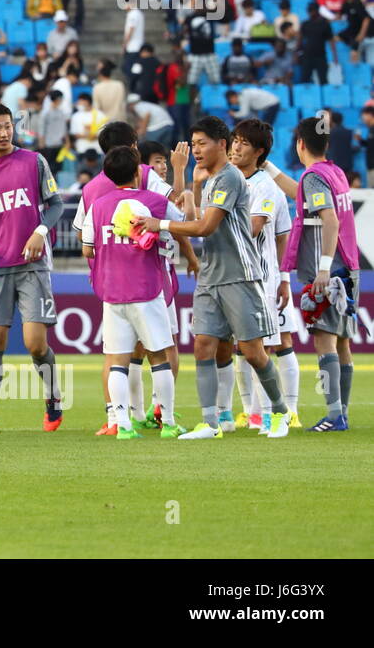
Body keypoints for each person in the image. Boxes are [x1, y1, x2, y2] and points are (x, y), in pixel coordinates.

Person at [136, 116, 291, 439]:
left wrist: (159, 224)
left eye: (202, 143)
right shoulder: (210, 180)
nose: (196, 150)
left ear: (222, 144)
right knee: (203, 346)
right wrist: (190, 184)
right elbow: (193, 220)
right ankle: (210, 423)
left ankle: (279, 413)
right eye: (193, 144)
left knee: (252, 351)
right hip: (211, 276)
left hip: (240, 275)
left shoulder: (231, 178)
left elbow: (205, 228)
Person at [73, 122, 193, 436]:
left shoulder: (96, 206)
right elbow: (183, 225)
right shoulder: (155, 203)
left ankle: (123, 424)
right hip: (148, 288)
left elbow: (87, 249)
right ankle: (167, 423)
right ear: (139, 173)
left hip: (112, 292)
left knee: (117, 360)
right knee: (159, 356)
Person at [0, 103, 66, 434]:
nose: (4, 133)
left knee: (35, 343)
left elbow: (56, 204)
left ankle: (52, 396)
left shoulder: (33, 161)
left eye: (8, 126)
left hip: (33, 264)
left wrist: (39, 231)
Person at [266, 117, 359, 431]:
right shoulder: (334, 173)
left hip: (328, 273)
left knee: (325, 341)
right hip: (348, 267)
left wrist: (322, 269)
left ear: (300, 144)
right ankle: (340, 413)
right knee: (342, 341)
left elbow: (329, 220)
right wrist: (268, 167)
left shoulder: (313, 177)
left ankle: (334, 415)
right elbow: (302, 195)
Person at [229, 119, 301, 429]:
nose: (236, 146)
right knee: (241, 347)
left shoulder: (266, 186)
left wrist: (284, 278)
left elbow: (277, 234)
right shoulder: (226, 180)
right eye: (234, 140)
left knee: (274, 344)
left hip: (264, 279)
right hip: (234, 276)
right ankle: (252, 411)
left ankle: (286, 411)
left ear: (259, 151)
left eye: (244, 142)